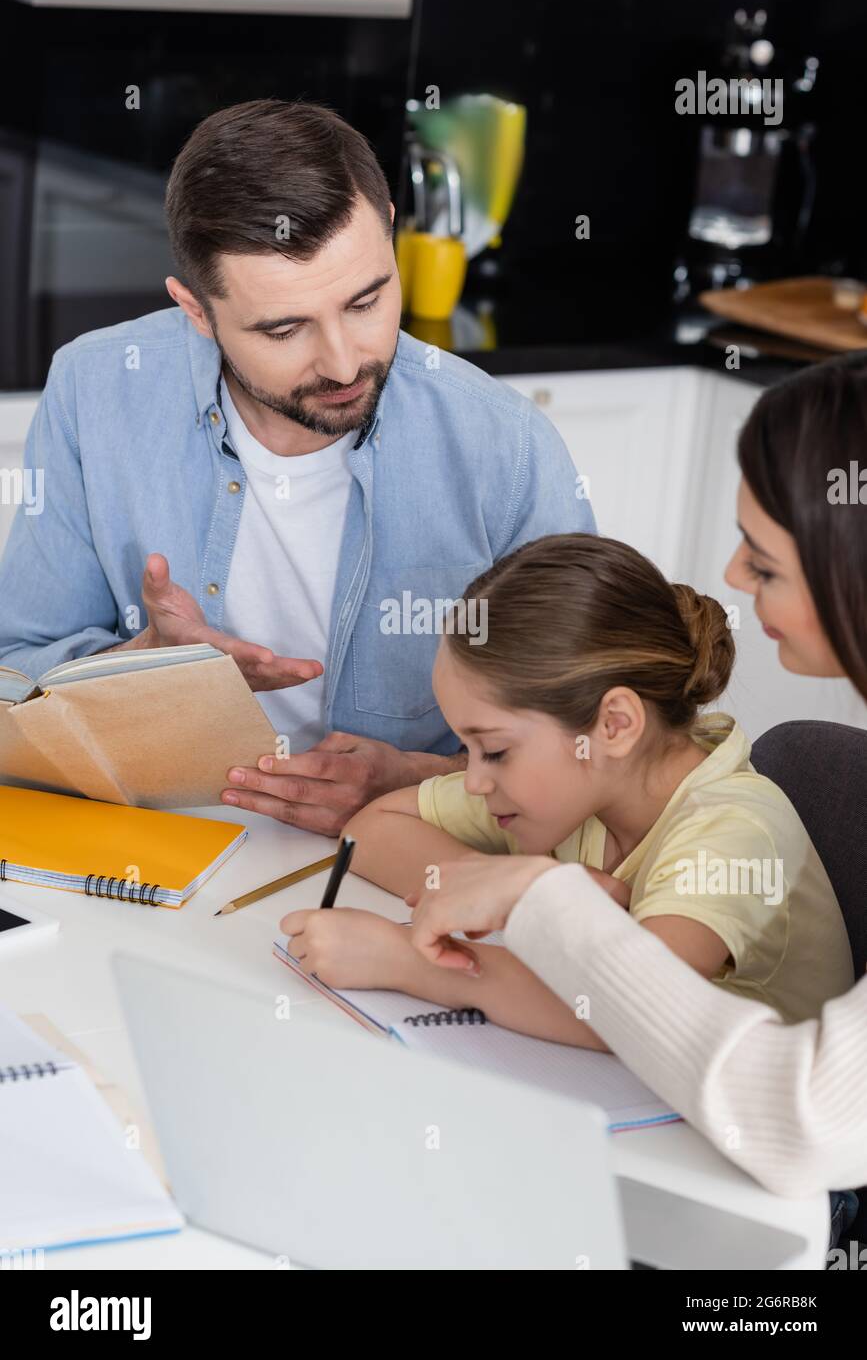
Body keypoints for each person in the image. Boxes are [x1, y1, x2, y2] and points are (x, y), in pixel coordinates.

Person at [0, 99, 593, 835]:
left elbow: (594, 743)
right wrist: (140, 666)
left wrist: (411, 783)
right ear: (195, 310)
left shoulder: (503, 447)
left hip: (406, 853)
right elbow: (14, 671)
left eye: (367, 300)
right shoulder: (97, 388)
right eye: (283, 329)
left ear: (390, 226)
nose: (345, 361)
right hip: (158, 833)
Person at [404, 352, 867, 1231]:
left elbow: (799, 1124)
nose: (729, 576)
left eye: (763, 560)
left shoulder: (728, 824)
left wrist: (538, 897)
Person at [279, 533, 853, 1047]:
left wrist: (409, 962)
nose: (474, 779)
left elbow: (632, 1011)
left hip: (723, 1154)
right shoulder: (589, 789)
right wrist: (509, 887)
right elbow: (372, 830)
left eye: (496, 750)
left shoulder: (732, 834)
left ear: (614, 726)